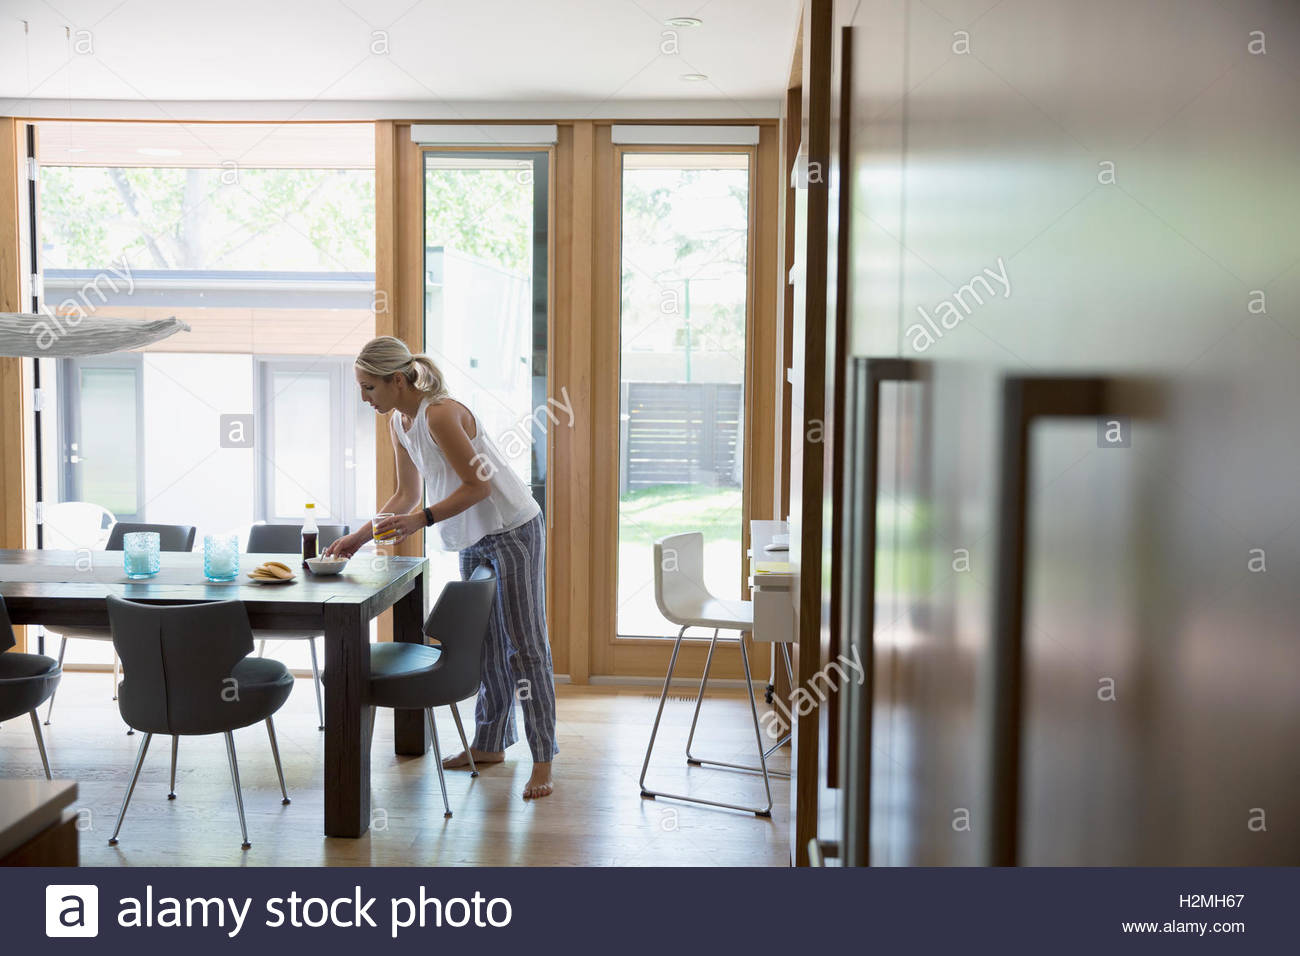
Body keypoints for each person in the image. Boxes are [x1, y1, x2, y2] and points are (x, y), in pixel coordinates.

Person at [324, 335, 557, 799]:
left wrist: (421, 520)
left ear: (395, 380)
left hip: (512, 529)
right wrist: (357, 537)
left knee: (525, 646)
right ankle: (490, 743)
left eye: (369, 388)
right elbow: (406, 496)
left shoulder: (440, 413)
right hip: (473, 534)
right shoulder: (400, 421)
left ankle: (543, 761)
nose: (364, 398)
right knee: (486, 645)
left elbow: (478, 487)